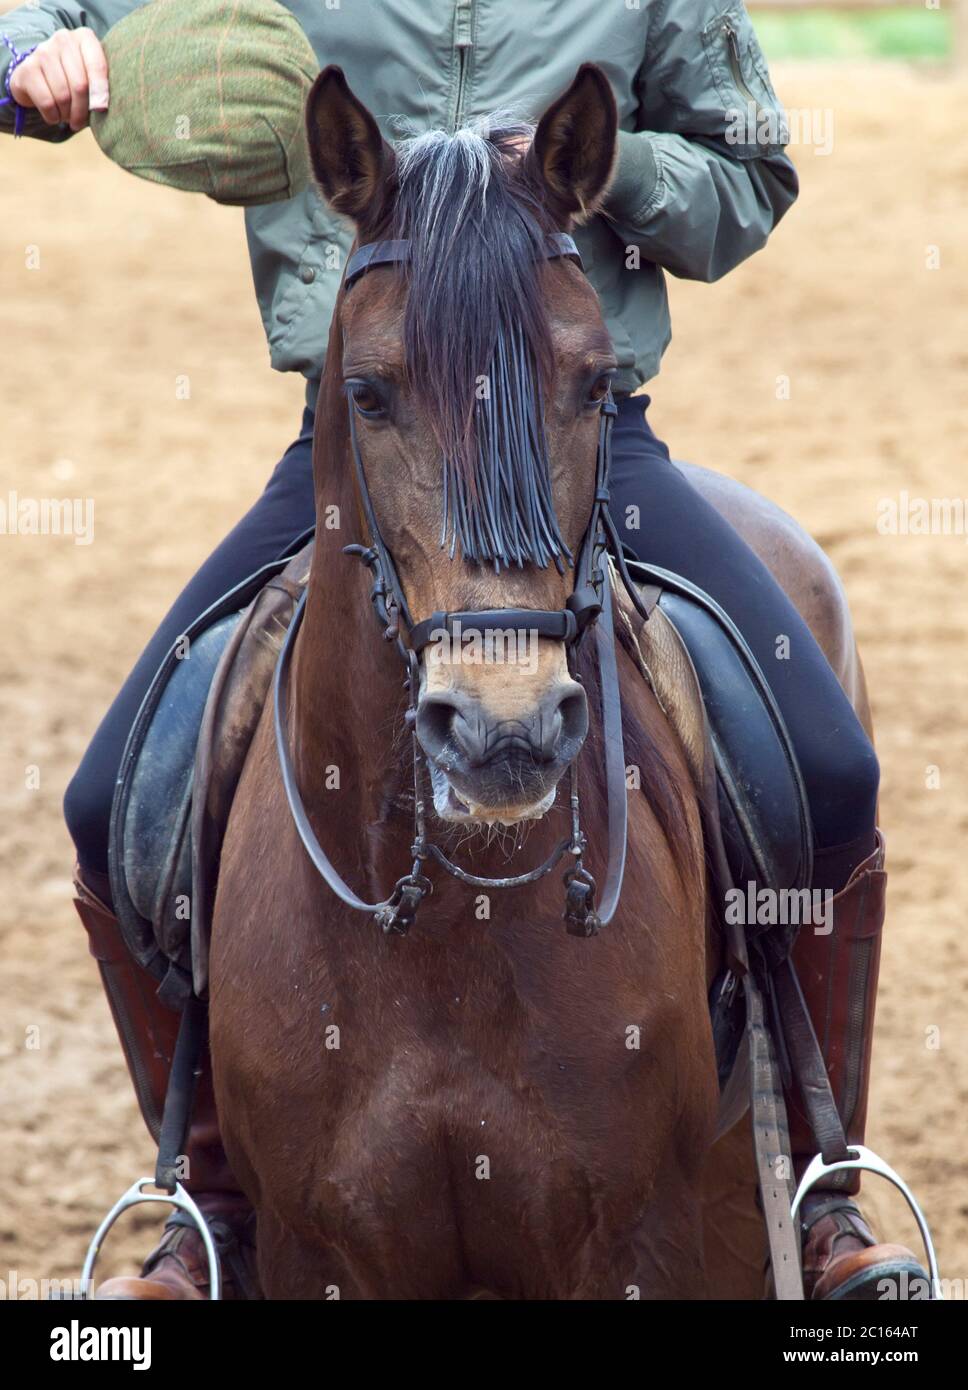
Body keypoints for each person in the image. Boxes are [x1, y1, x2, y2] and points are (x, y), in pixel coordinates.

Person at [1, 0, 921, 1300]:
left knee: (826, 770)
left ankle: (827, 1186)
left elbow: (750, 173)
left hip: (573, 423)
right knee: (114, 800)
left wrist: (594, 172)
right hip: (371, 426)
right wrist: (29, 53)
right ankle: (211, 1202)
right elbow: (68, 16)